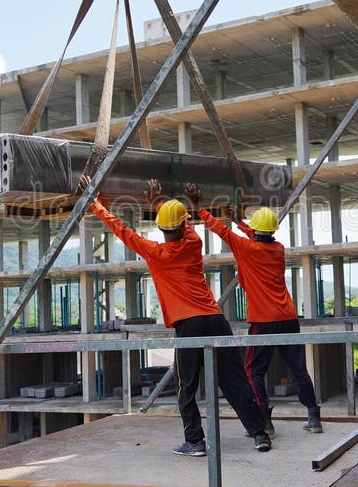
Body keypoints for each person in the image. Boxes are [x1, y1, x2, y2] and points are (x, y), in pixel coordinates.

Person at [80, 175, 272, 455]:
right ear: (184, 225)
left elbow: (121, 230)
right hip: (215, 319)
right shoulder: (194, 244)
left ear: (159, 227)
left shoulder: (155, 252)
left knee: (187, 386)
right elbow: (184, 224)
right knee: (233, 380)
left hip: (189, 325)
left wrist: (95, 204)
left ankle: (195, 441)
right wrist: (162, 202)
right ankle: (260, 434)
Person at [185, 182, 322, 435]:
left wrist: (197, 207)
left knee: (253, 371)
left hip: (264, 319)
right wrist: (240, 223)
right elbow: (255, 236)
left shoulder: (247, 248)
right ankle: (314, 418)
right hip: (289, 317)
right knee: (299, 368)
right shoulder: (278, 249)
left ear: (256, 230)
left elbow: (219, 230)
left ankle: (264, 421)